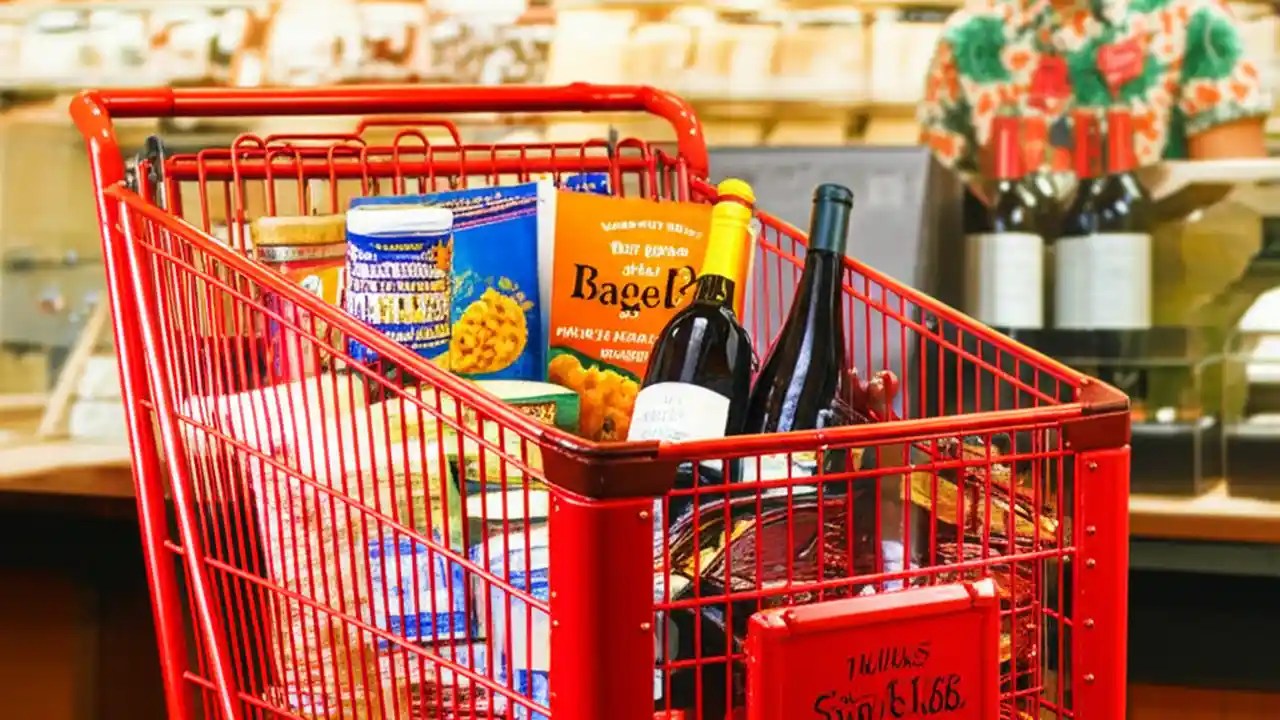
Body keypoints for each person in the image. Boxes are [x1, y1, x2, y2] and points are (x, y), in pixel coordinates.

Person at [918, 0, 1270, 184]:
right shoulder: (969, 37)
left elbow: (1234, 208)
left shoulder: (1197, 25)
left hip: (1174, 304)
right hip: (995, 305)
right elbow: (932, 208)